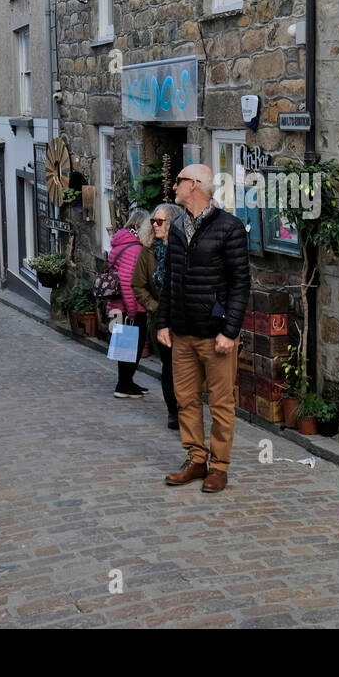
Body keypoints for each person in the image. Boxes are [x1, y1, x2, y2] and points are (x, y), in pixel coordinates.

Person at [156, 164, 250, 493]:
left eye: (179, 180)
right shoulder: (178, 226)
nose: (175, 186)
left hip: (217, 333)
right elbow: (171, 277)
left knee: (221, 403)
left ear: (195, 185)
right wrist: (163, 321)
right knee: (186, 400)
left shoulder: (229, 227)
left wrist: (230, 330)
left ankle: (219, 467)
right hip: (182, 332)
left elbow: (241, 284)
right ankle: (196, 459)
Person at [133, 202, 181, 429]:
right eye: (153, 220)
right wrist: (156, 307)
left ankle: (188, 407)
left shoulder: (182, 248)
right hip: (161, 320)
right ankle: (174, 411)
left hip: (183, 317)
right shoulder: (148, 250)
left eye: (160, 221)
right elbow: (138, 286)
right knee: (169, 367)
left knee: (187, 366)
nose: (154, 225)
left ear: (173, 224)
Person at [107, 209, 149, 398]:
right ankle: (123, 385)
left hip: (116, 306)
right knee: (132, 348)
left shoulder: (120, 243)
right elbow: (127, 282)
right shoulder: (134, 249)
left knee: (125, 348)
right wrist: (133, 311)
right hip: (128, 307)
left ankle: (127, 382)